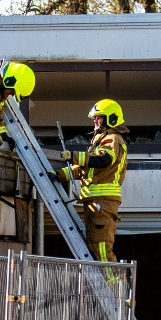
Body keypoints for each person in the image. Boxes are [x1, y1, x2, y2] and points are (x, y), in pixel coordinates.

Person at [54, 99, 129, 261]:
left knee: (101, 248)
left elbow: (103, 159)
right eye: (94, 117)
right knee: (94, 247)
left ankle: (113, 285)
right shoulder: (100, 140)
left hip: (103, 202)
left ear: (112, 118)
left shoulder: (112, 139)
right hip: (95, 201)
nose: (95, 120)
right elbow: (87, 169)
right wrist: (60, 175)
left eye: (99, 117)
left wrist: (74, 156)